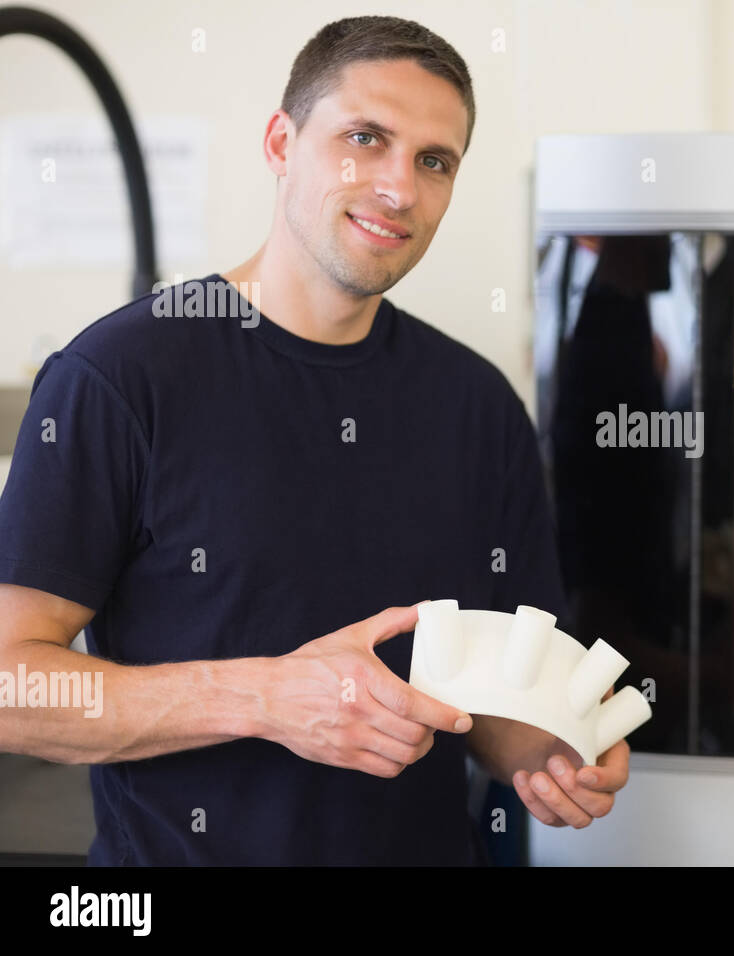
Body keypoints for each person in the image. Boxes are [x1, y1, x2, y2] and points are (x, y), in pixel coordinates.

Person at [0, 15, 629, 865]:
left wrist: (550, 756)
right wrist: (265, 697)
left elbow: (498, 696)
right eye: (365, 138)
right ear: (280, 143)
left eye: (434, 161)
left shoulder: (478, 406)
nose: (399, 187)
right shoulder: (119, 376)